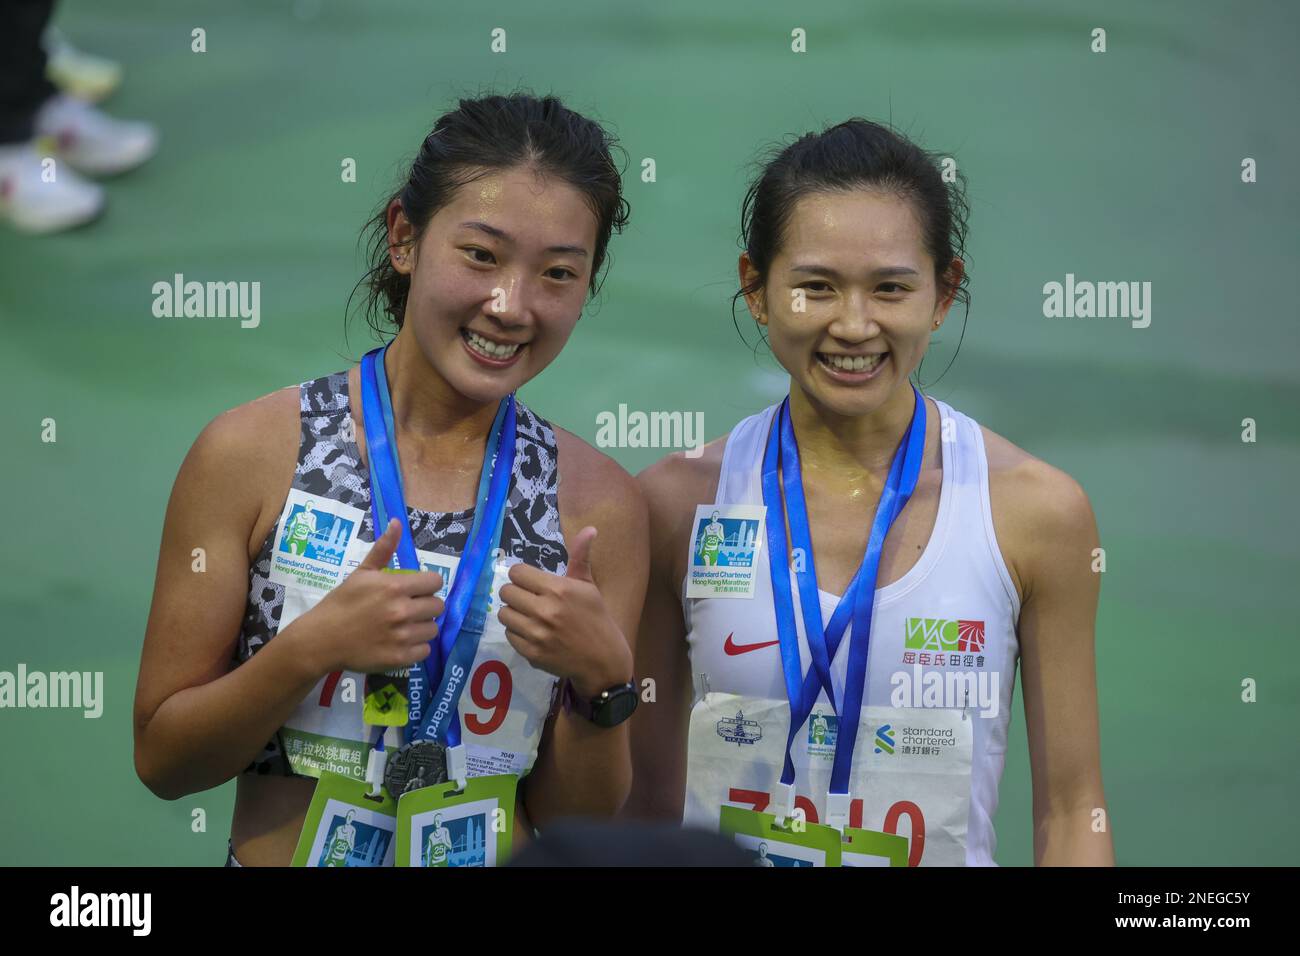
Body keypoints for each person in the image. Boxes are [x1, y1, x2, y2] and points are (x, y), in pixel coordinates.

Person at [133, 92, 648, 866]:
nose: (511, 305)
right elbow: (165, 763)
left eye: (558, 274)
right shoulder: (251, 453)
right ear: (404, 237)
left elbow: (576, 823)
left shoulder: (599, 504)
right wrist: (310, 649)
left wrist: (603, 686)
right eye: (481, 255)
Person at [625, 118, 1113, 866]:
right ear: (756, 290)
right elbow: (648, 806)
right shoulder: (674, 504)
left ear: (943, 293)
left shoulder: (1034, 513)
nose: (854, 326)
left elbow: (1074, 811)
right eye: (815, 287)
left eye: (890, 288)